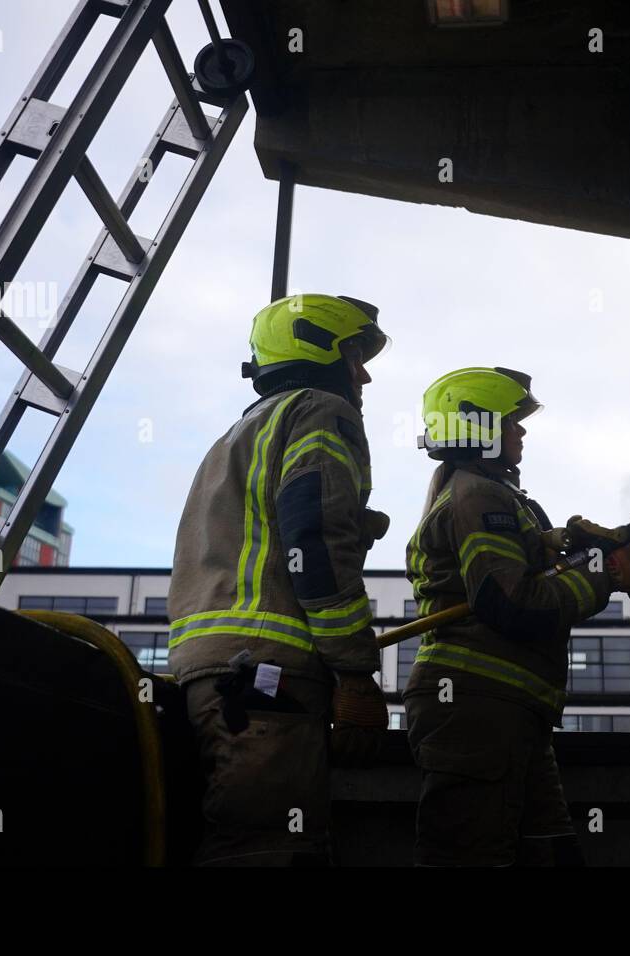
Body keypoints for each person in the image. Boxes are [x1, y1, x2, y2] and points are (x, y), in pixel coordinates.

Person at [167, 294, 391, 866]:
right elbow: (313, 537)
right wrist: (356, 671)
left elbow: (275, 527)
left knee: (236, 840)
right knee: (270, 850)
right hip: (269, 676)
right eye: (355, 355)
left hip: (214, 674)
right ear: (320, 353)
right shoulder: (320, 409)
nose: (363, 375)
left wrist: (353, 522)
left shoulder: (239, 435)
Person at [402, 367, 630, 866]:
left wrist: (573, 548)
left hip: (504, 711)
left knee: (549, 853)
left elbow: (520, 581)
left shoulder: (481, 492)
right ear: (478, 427)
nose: (522, 432)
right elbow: (512, 603)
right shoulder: (480, 495)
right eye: (511, 421)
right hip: (476, 711)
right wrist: (606, 575)